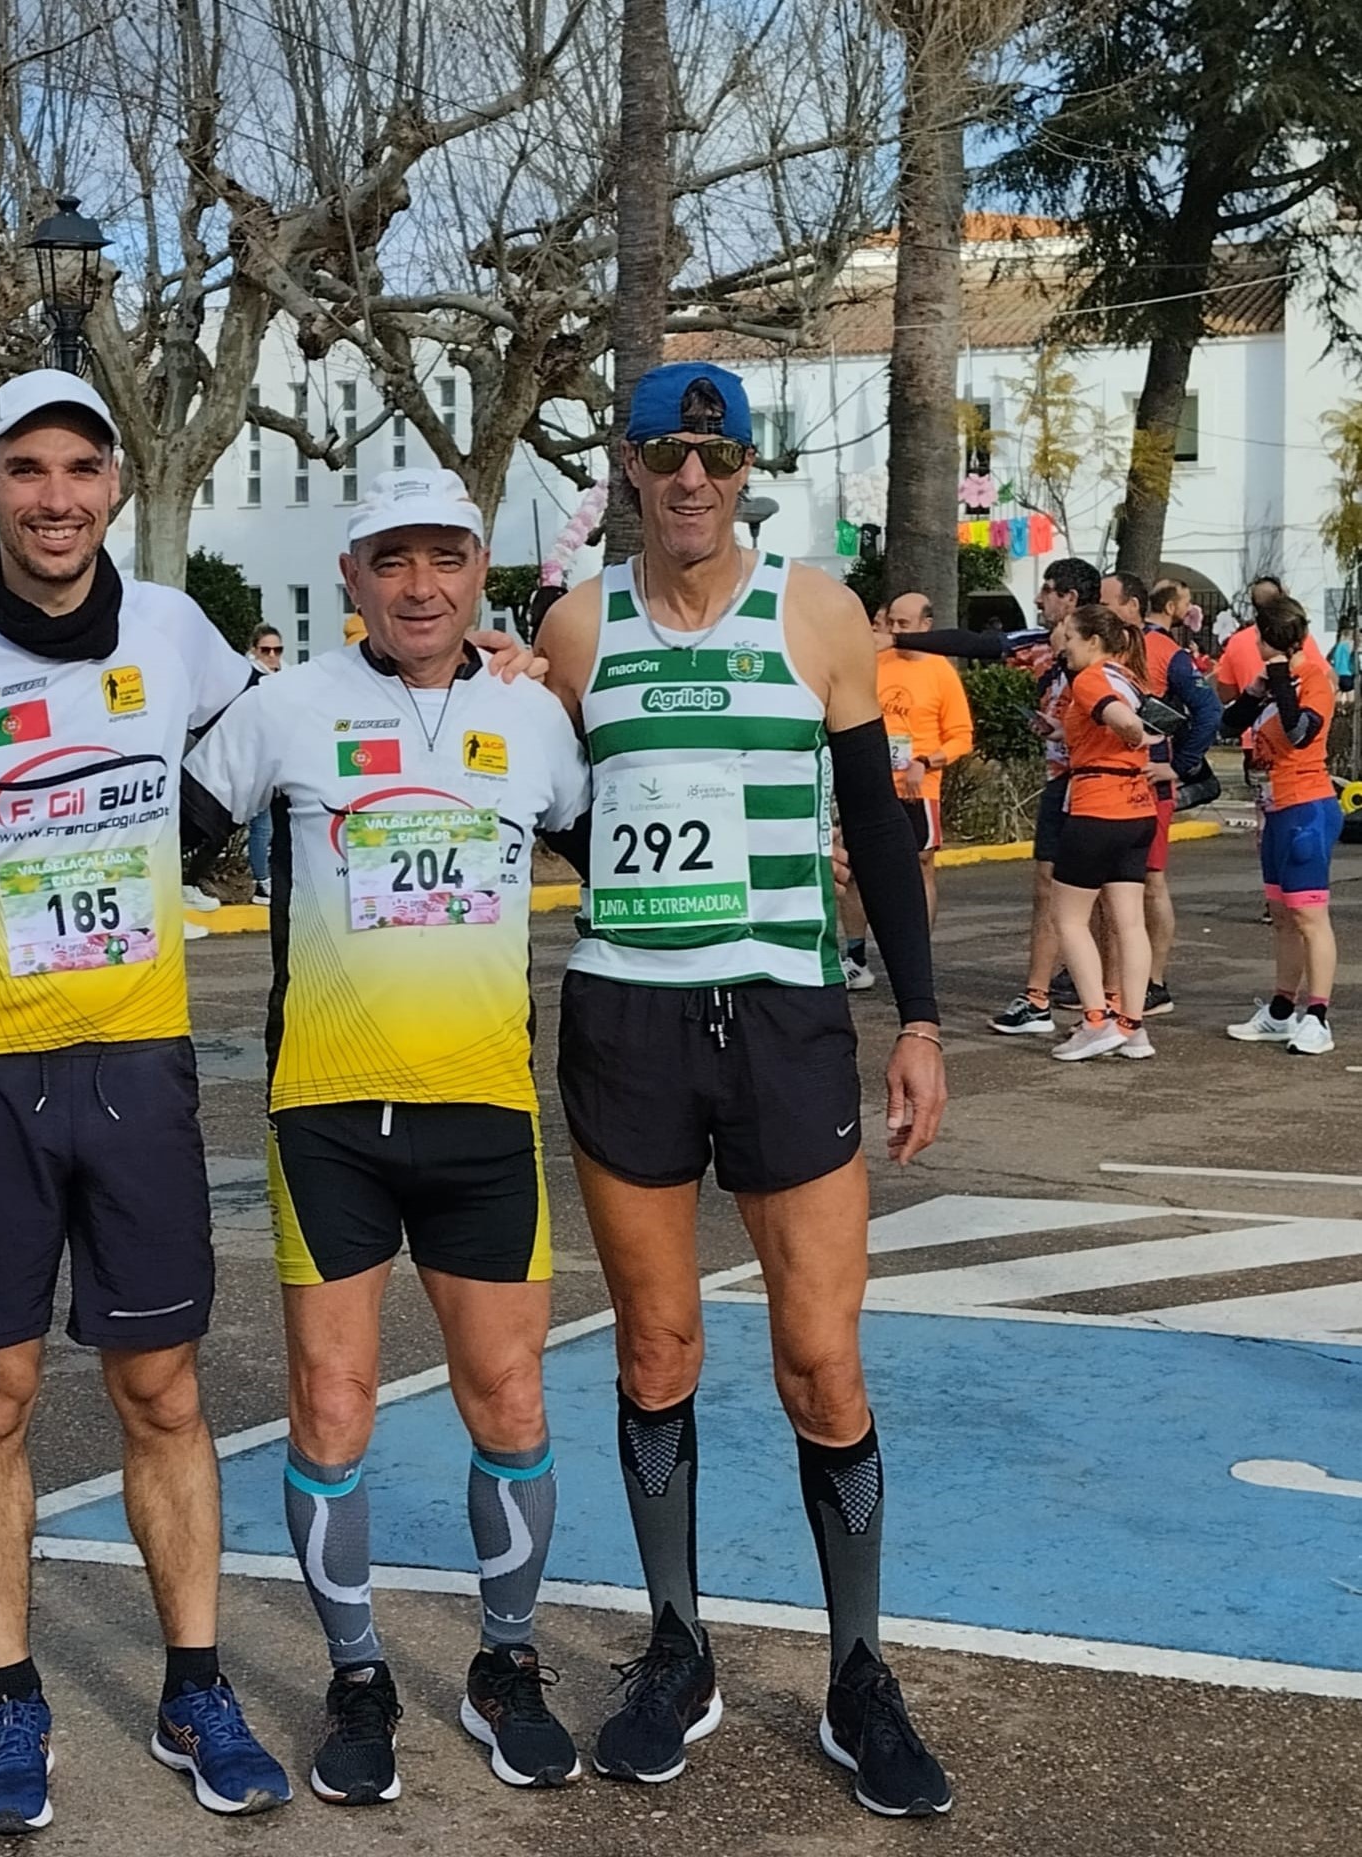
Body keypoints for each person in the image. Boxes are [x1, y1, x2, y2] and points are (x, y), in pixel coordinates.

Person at [0, 370, 292, 1831]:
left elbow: (282, 736)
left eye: (82, 468)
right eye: (28, 469)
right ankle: (12, 1703)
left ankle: (193, 1687)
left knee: (163, 1390)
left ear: (114, 485)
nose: (57, 496)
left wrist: (481, 679)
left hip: (139, 1068)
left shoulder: (175, 631)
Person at [535, 362, 951, 1817]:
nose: (691, 480)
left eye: (714, 457)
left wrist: (920, 1021)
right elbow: (553, 812)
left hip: (782, 1018)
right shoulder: (575, 629)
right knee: (655, 1353)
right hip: (626, 1022)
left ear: (745, 471)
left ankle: (857, 1672)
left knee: (819, 1361)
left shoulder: (816, 612)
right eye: (665, 456)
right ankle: (677, 1648)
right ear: (630, 470)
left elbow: (878, 832)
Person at [185, 469, 591, 1803]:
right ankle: (356, 1675)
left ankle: (506, 1662)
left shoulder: (529, 715)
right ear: (351, 576)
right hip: (327, 1119)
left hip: (484, 1115)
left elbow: (622, 853)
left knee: (509, 1398)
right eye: (392, 561)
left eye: (445, 559)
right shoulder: (285, 705)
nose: (420, 586)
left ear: (479, 573)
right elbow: (157, 835)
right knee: (331, 1404)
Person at [961, 557, 1102, 1034]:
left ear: (1070, 599)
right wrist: (900, 642)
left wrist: (1177, 766)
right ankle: (1037, 999)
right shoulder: (1041, 643)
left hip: (1101, 786)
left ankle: (1115, 1008)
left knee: (1110, 897)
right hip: (1060, 780)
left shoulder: (1112, 652)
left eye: (1047, 590)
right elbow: (980, 644)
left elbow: (1129, 713)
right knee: (1048, 886)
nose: (1039, 600)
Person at [1222, 597, 1342, 1055]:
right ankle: (1280, 1010)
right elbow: (1230, 724)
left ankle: (1318, 1017)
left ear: (1269, 638)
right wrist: (1257, 690)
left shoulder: (1312, 680)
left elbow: (1298, 732)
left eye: (1259, 636)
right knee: (1282, 917)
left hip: (1307, 807)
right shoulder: (1275, 684)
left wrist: (1280, 682)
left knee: (1310, 916)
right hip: (1274, 808)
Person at [1103, 572, 1222, 1017]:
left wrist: (1181, 764)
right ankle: (1109, 980)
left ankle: (1155, 983)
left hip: (1152, 782)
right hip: (1108, 783)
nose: (1100, 609)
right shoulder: (1102, 647)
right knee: (1106, 885)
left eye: (1108, 602)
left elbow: (1209, 710)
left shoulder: (1164, 650)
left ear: (1133, 606)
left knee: (1150, 882)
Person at [840, 593, 973, 989]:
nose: (894, 630)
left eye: (904, 624)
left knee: (920, 867)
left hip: (918, 787)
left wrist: (926, 762)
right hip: (871, 783)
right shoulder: (875, 664)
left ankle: (918, 958)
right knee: (854, 871)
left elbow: (961, 737)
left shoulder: (940, 671)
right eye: (891, 622)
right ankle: (855, 957)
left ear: (925, 626)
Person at [1049, 605, 1157, 1061]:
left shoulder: (1090, 678)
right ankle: (1132, 1026)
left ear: (1093, 641)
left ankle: (1096, 1020)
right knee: (1129, 923)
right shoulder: (1130, 677)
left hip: (1097, 807)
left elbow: (1125, 723)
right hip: (1138, 808)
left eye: (1071, 638)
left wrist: (1134, 733)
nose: (1065, 648)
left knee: (1069, 919)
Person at [243, 623, 284, 903]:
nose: (272, 655)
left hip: (278, 762)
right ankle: (261, 880)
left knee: (272, 826)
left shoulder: (283, 678)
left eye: (277, 650)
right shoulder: (251, 680)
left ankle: (266, 878)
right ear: (254, 650)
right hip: (254, 762)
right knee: (262, 825)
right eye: (265, 650)